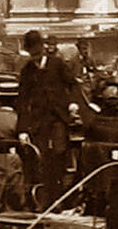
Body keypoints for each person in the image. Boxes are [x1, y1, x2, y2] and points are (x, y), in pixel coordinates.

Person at [16, 30, 79, 211]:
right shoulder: (27, 71)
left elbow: (72, 84)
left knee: (58, 156)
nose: (35, 57)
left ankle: (59, 198)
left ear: (42, 48)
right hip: (39, 122)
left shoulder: (57, 65)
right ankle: (45, 201)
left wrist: (73, 104)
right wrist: (22, 130)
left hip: (59, 118)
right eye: (32, 53)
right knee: (42, 160)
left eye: (37, 52)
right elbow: (22, 101)